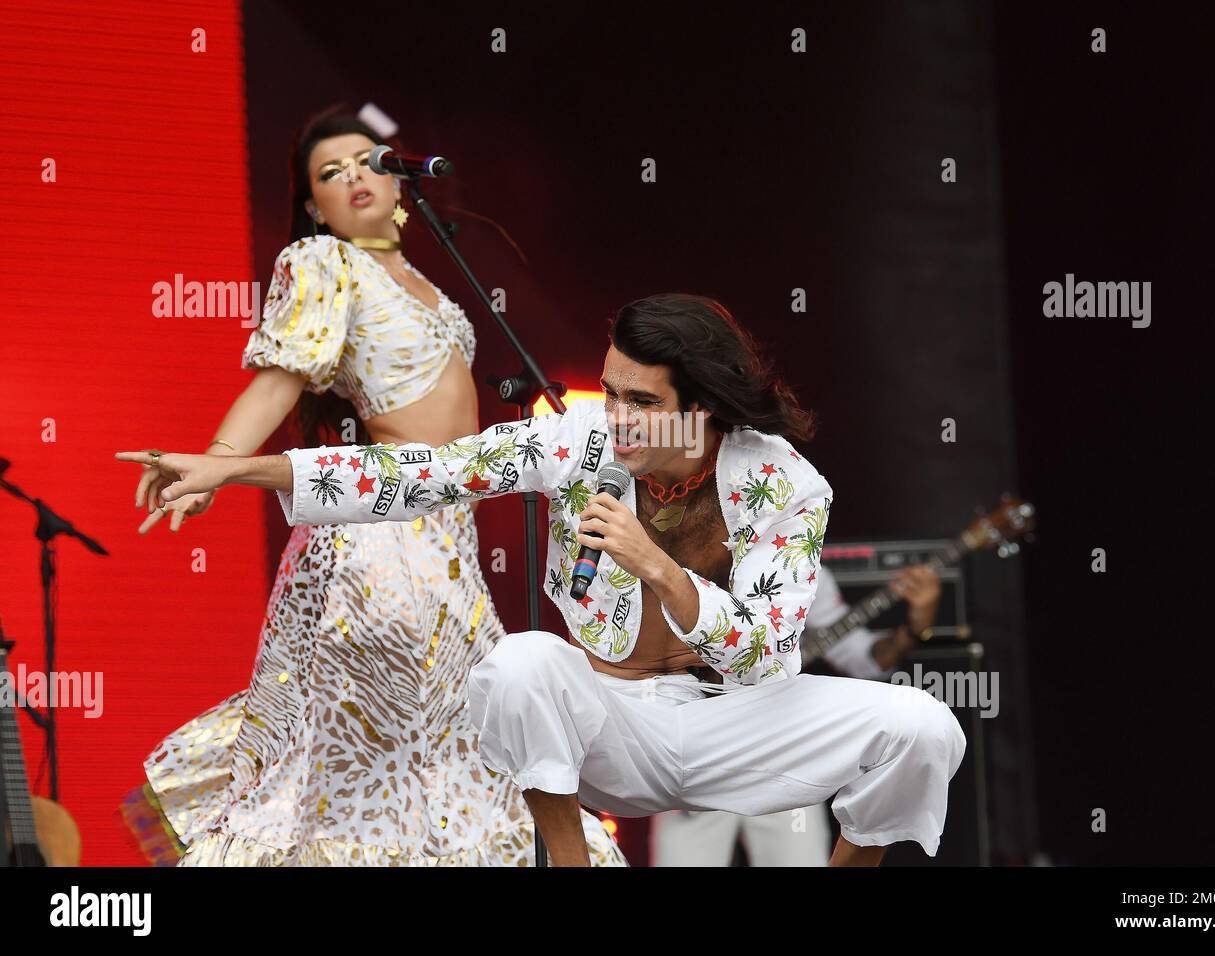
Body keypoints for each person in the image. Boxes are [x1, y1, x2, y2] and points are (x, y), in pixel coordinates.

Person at [118, 293, 966, 867]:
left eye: (640, 399)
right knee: (521, 663)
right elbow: (415, 472)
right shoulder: (578, 443)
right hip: (614, 723)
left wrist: (661, 569)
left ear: (701, 406)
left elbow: (764, 651)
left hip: (743, 721)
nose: (616, 414)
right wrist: (233, 471)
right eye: (612, 389)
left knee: (922, 726)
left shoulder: (786, 483)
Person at [119, 110, 624, 867]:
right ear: (312, 207)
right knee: (384, 757)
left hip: (447, 538)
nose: (353, 176)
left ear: (400, 185)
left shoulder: (428, 282)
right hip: (378, 541)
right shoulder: (323, 262)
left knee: (452, 745)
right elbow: (278, 381)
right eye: (330, 173)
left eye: (367, 160)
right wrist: (216, 465)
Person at [649, 562, 942, 866]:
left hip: (782, 754)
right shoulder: (679, 556)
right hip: (696, 752)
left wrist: (912, 631)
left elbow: (860, 659)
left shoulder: (801, 563)